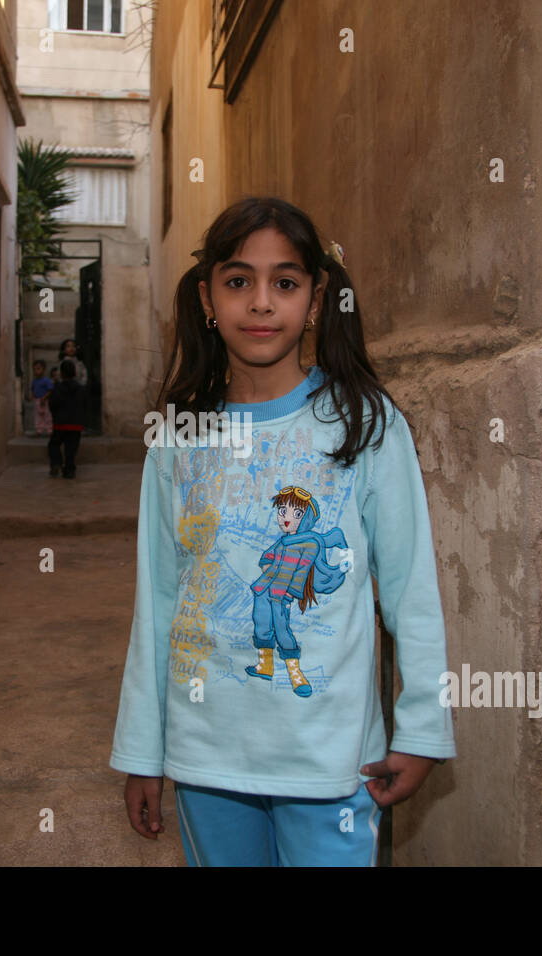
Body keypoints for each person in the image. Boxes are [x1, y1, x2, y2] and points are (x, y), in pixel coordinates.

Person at [109, 196, 455, 866]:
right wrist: (142, 751)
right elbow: (156, 601)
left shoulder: (365, 423)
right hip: (207, 757)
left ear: (317, 299)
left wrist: (421, 728)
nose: (261, 303)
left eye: (285, 283)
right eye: (238, 281)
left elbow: (410, 588)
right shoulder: (180, 437)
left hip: (330, 762)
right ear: (208, 298)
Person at [47, 358, 87, 478]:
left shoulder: (57, 387)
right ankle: (69, 470)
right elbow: (84, 404)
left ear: (61, 373)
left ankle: (56, 463)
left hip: (60, 423)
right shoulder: (80, 389)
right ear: (75, 373)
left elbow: (52, 404)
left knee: (54, 444)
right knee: (71, 449)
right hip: (75, 424)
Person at [31, 360, 54, 436]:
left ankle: (49, 430)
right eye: (34, 369)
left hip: (45, 401)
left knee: (47, 415)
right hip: (37, 400)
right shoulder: (34, 381)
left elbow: (50, 390)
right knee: (38, 416)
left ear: (43, 369)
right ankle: (39, 430)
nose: (36, 371)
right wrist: (33, 397)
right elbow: (33, 389)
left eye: (38, 368)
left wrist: (44, 397)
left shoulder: (46, 380)